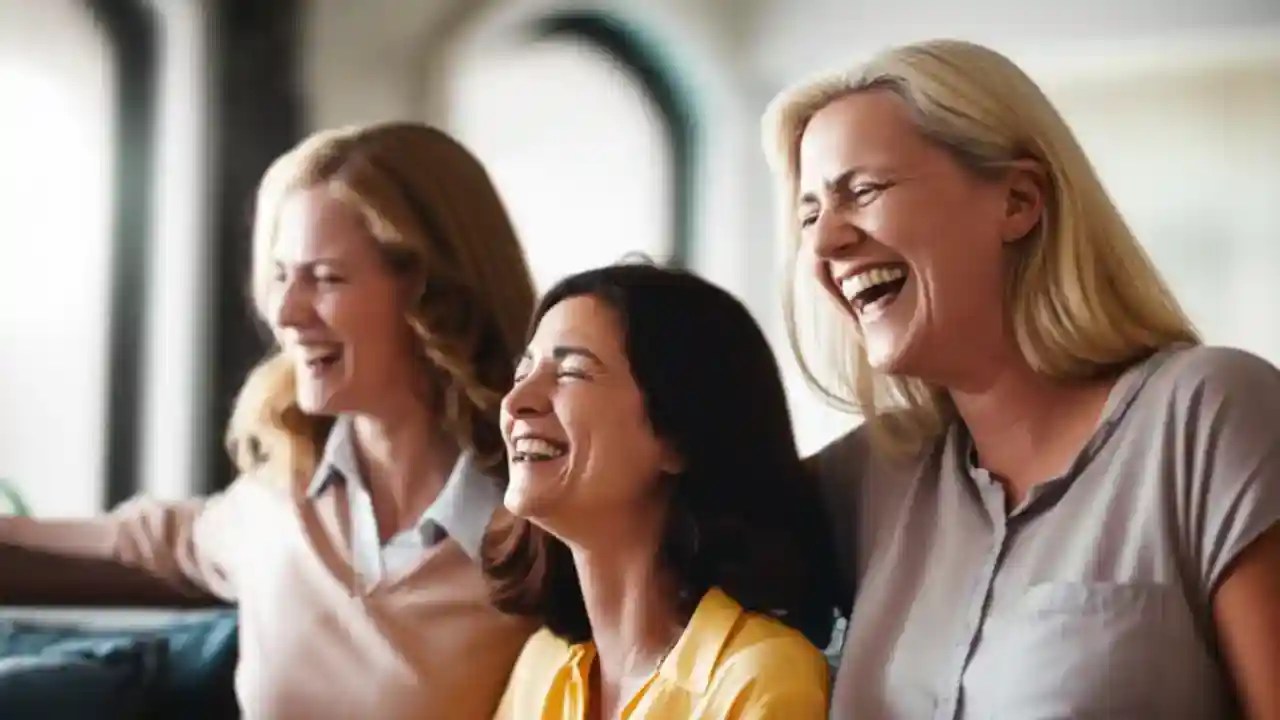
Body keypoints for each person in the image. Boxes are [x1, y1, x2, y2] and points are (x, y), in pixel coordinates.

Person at [761, 38, 1280, 719]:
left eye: (863, 191)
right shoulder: (867, 477)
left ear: (1018, 201)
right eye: (809, 215)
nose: (826, 243)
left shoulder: (1208, 414)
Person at [0, 122, 539, 719]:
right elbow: (158, 539)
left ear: (435, 298)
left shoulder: (539, 533)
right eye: (281, 275)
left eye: (326, 278)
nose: (284, 313)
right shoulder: (279, 501)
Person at [485, 263, 836, 719]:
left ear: (678, 435)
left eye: (572, 372)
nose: (516, 403)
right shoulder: (542, 663)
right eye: (522, 374)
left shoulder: (759, 677)